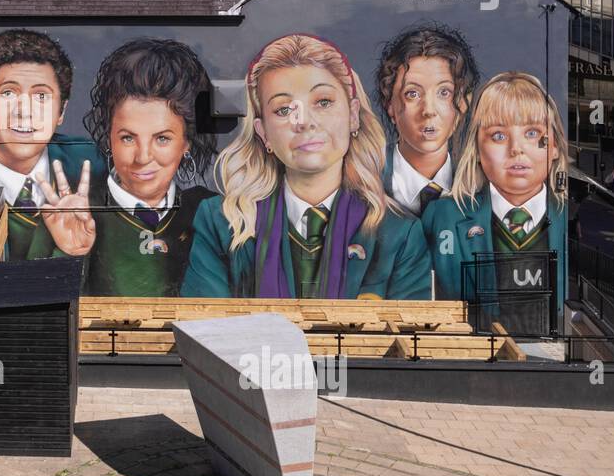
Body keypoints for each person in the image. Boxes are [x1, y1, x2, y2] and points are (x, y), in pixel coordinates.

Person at [182, 33, 431, 300]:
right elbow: (206, 330)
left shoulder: (399, 233)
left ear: (353, 116)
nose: (304, 121)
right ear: (263, 131)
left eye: (323, 102)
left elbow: (408, 338)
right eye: (284, 109)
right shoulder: (221, 222)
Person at [56, 39, 218, 296]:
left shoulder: (209, 212)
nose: (143, 157)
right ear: (108, 137)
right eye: (128, 138)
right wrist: (68, 254)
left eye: (162, 138)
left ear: (186, 142)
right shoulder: (76, 211)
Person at [422, 72, 569, 333]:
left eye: (533, 133)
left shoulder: (571, 219)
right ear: (477, 150)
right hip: (477, 364)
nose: (516, 148)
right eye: (499, 136)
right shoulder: (441, 216)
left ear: (555, 146)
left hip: (555, 366)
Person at [0, 28, 104, 260]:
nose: (24, 112)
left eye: (41, 96)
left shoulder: (98, 163)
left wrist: (74, 249)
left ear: (61, 111)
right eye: (9, 93)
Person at [374, 24, 479, 216]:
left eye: (444, 92)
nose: (429, 110)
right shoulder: (363, 182)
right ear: (390, 104)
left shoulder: (480, 187)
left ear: (464, 102)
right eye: (412, 94)